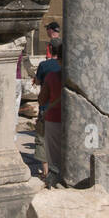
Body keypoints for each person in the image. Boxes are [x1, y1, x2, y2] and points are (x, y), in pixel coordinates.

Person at [38, 40, 63, 184]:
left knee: (53, 158)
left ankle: (53, 182)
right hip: (74, 121)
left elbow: (42, 100)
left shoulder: (52, 77)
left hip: (54, 119)